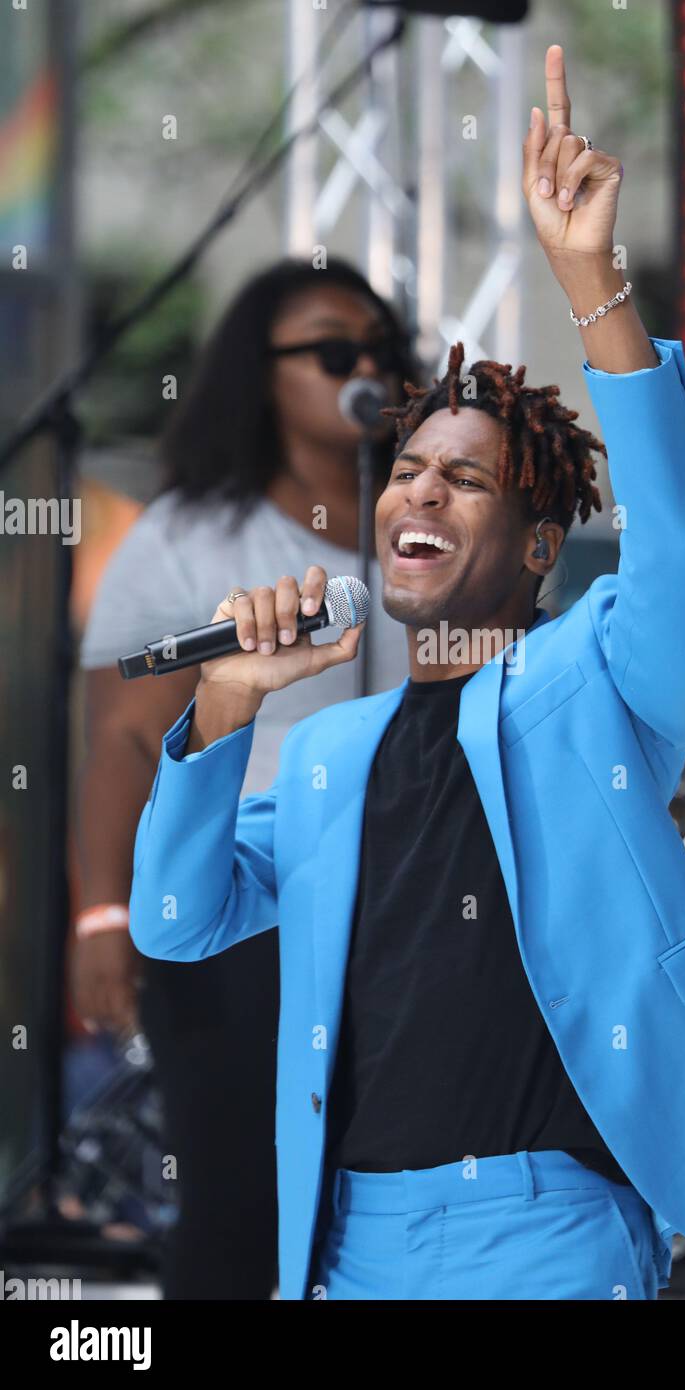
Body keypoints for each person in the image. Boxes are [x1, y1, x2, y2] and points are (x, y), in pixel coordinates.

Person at [127, 46, 685, 1301]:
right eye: (407, 470)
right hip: (346, 1242)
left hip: (545, 1231)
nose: (420, 489)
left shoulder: (596, 682)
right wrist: (230, 703)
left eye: (464, 478)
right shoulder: (338, 749)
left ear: (541, 544)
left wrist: (588, 278)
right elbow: (178, 921)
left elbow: (678, 547)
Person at [72, 257, 414, 1298]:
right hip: (240, 902)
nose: (362, 367)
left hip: (406, 904)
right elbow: (125, 738)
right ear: (258, 375)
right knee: (239, 1194)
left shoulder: (430, 520)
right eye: (328, 349)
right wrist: (100, 915)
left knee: (386, 1190)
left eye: (377, 349)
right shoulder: (193, 532)